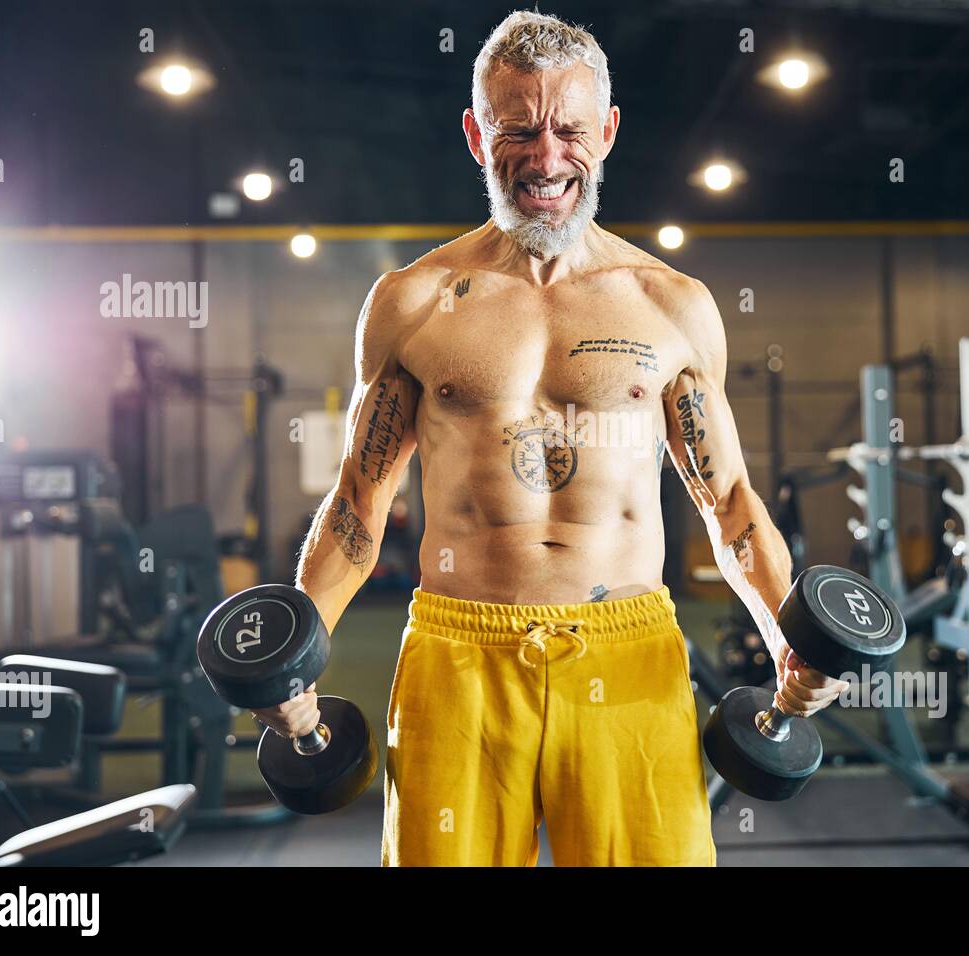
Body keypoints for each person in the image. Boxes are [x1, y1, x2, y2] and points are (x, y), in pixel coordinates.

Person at [253, 10, 846, 866]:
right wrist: (294, 655)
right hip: (459, 649)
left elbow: (729, 503)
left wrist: (789, 636)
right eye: (517, 130)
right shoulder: (413, 302)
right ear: (474, 134)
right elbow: (359, 499)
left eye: (569, 128)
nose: (545, 157)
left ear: (606, 132)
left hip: (628, 649)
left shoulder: (669, 304)